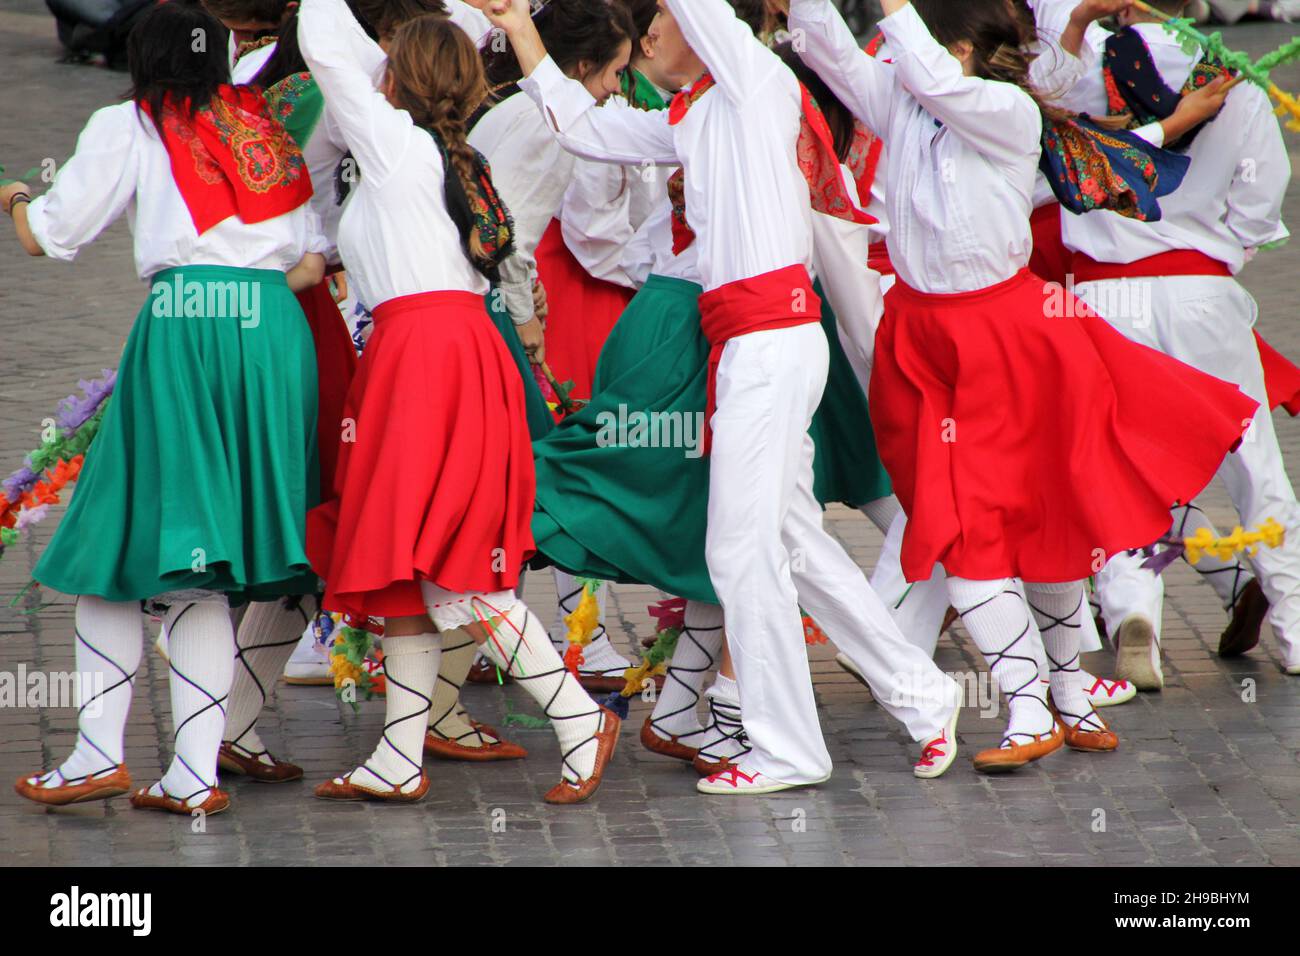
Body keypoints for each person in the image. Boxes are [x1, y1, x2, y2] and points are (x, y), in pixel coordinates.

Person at [486, 0, 966, 795]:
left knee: (738, 551)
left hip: (771, 344)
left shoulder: (751, 77)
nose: (651, 35)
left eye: (665, 21)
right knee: (792, 544)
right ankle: (924, 694)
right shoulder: (693, 114)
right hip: (751, 346)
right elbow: (588, 129)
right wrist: (522, 31)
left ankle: (789, 748)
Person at [787, 0, 1257, 771]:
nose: (893, 54)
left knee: (1042, 516)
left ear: (961, 50)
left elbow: (932, 78)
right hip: (923, 341)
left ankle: (1053, 699)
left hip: (1006, 333)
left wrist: (898, 11)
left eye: (913, 42)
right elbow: (831, 50)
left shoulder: (1002, 109)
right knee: (959, 524)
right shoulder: (908, 97)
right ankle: (1042, 703)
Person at [5, 0, 326, 814]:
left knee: (116, 543)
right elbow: (311, 260)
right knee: (205, 565)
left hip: (188, 331)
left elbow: (52, 232)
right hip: (273, 334)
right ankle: (191, 774)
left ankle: (96, 754)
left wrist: (10, 197)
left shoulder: (133, 123)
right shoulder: (264, 130)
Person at [297, 0, 618, 805]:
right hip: (443, 356)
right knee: (417, 572)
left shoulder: (396, 145)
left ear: (398, 78)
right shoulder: (450, 156)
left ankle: (578, 719)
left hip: (425, 362)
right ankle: (397, 759)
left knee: (459, 577)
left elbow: (320, 39)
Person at [1041, 0, 1300, 681]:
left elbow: (1040, 127)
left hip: (1102, 294)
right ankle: (1297, 623)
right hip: (1199, 286)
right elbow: (1264, 191)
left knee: (1119, 462)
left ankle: (1135, 615)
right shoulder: (1233, 76)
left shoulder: (1078, 72)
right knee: (1252, 458)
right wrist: (1225, 249)